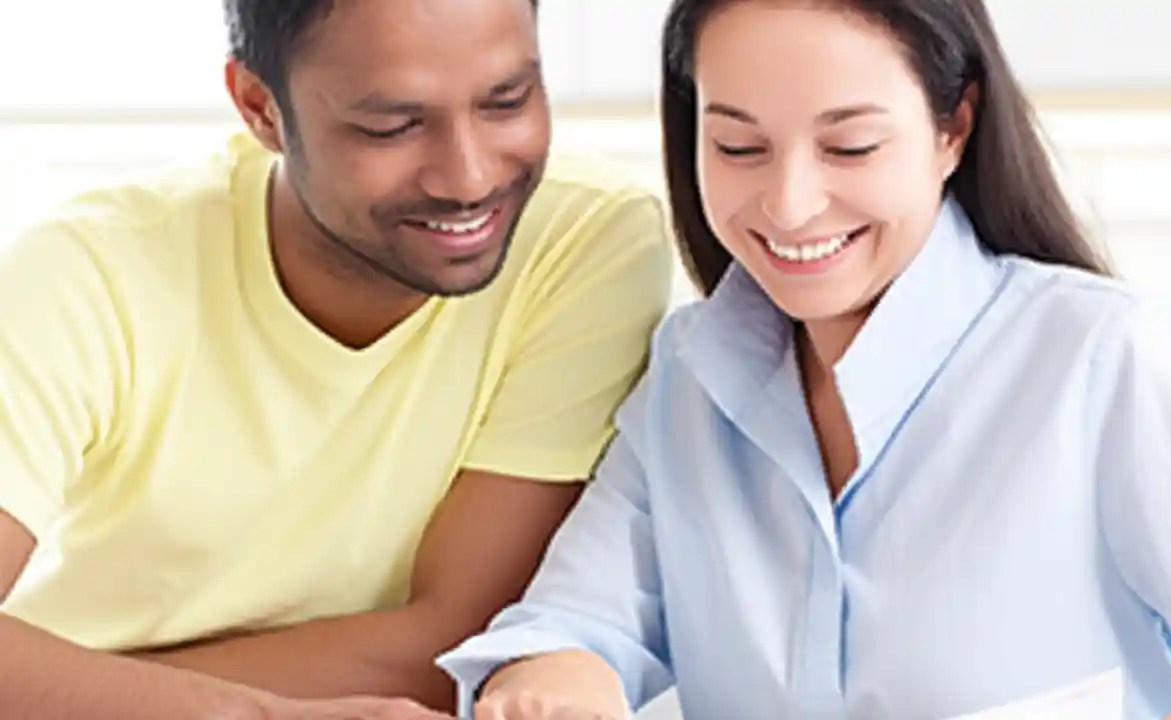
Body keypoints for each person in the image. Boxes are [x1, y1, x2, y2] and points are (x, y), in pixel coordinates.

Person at [436, 0, 1171, 718]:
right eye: (738, 148)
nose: (790, 205)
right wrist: (553, 673)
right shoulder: (691, 377)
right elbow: (579, 620)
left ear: (954, 127)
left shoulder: (1111, 363)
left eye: (849, 148)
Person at [0, 0, 671, 717]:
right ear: (260, 108)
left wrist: (67, 688)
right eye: (393, 126)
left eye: (506, 102)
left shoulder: (583, 242)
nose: (469, 178)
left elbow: (461, 645)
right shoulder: (89, 274)